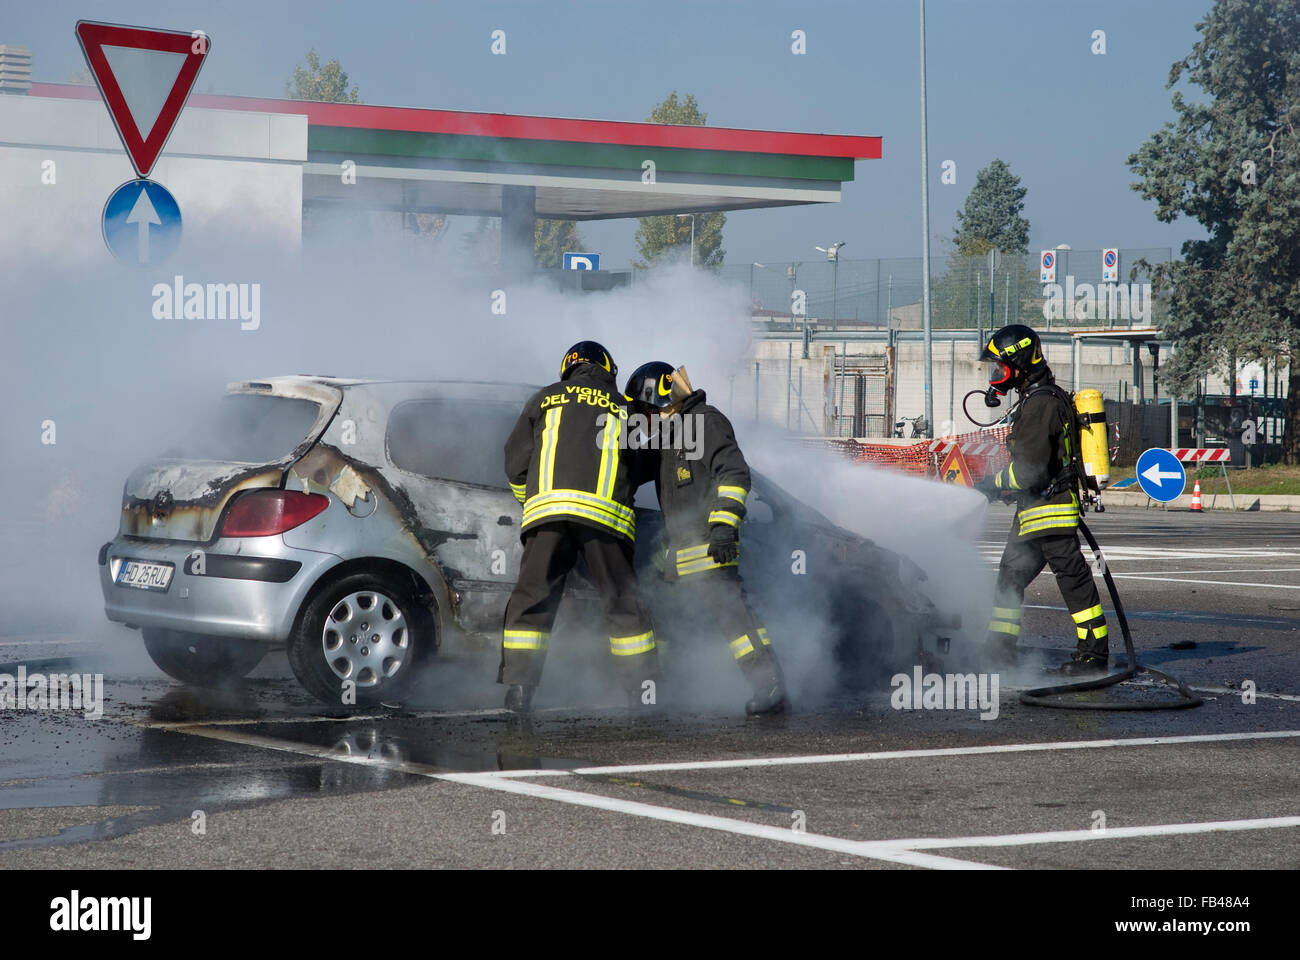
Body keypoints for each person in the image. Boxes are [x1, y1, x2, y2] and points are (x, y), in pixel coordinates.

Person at [500, 341, 657, 713]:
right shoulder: (624, 407)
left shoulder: (543, 399)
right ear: (608, 370)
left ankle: (520, 691)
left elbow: (514, 462)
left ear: (567, 368)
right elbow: (635, 467)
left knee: (532, 601)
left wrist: (533, 501)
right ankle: (641, 694)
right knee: (622, 603)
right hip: (604, 519)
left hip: (547, 516)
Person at [623, 361, 786, 714]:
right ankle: (659, 690)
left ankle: (769, 684)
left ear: (660, 402)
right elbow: (633, 470)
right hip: (677, 551)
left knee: (733, 618)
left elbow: (734, 473)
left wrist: (724, 526)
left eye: (645, 410)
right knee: (659, 617)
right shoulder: (671, 433)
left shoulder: (707, 422)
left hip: (710, 545)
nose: (643, 419)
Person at [974, 324, 1110, 676]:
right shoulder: (1041, 399)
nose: (996, 376)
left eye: (1001, 367)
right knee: (1009, 577)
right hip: (1034, 510)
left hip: (1049, 508)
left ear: (1019, 364)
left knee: (1072, 578)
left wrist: (993, 483)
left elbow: (1029, 472)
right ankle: (999, 649)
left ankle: (1094, 655)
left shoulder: (1040, 405)